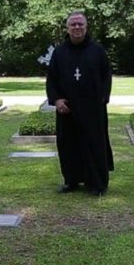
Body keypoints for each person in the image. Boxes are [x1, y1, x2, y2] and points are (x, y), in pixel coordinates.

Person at [46, 11, 114, 196]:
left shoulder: (97, 50)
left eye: (80, 24)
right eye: (73, 24)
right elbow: (52, 78)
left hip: (92, 109)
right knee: (68, 145)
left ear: (86, 27)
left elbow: (106, 76)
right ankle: (71, 181)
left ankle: (97, 184)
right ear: (67, 28)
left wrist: (103, 98)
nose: (77, 27)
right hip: (67, 108)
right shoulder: (59, 52)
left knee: (94, 145)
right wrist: (57, 100)